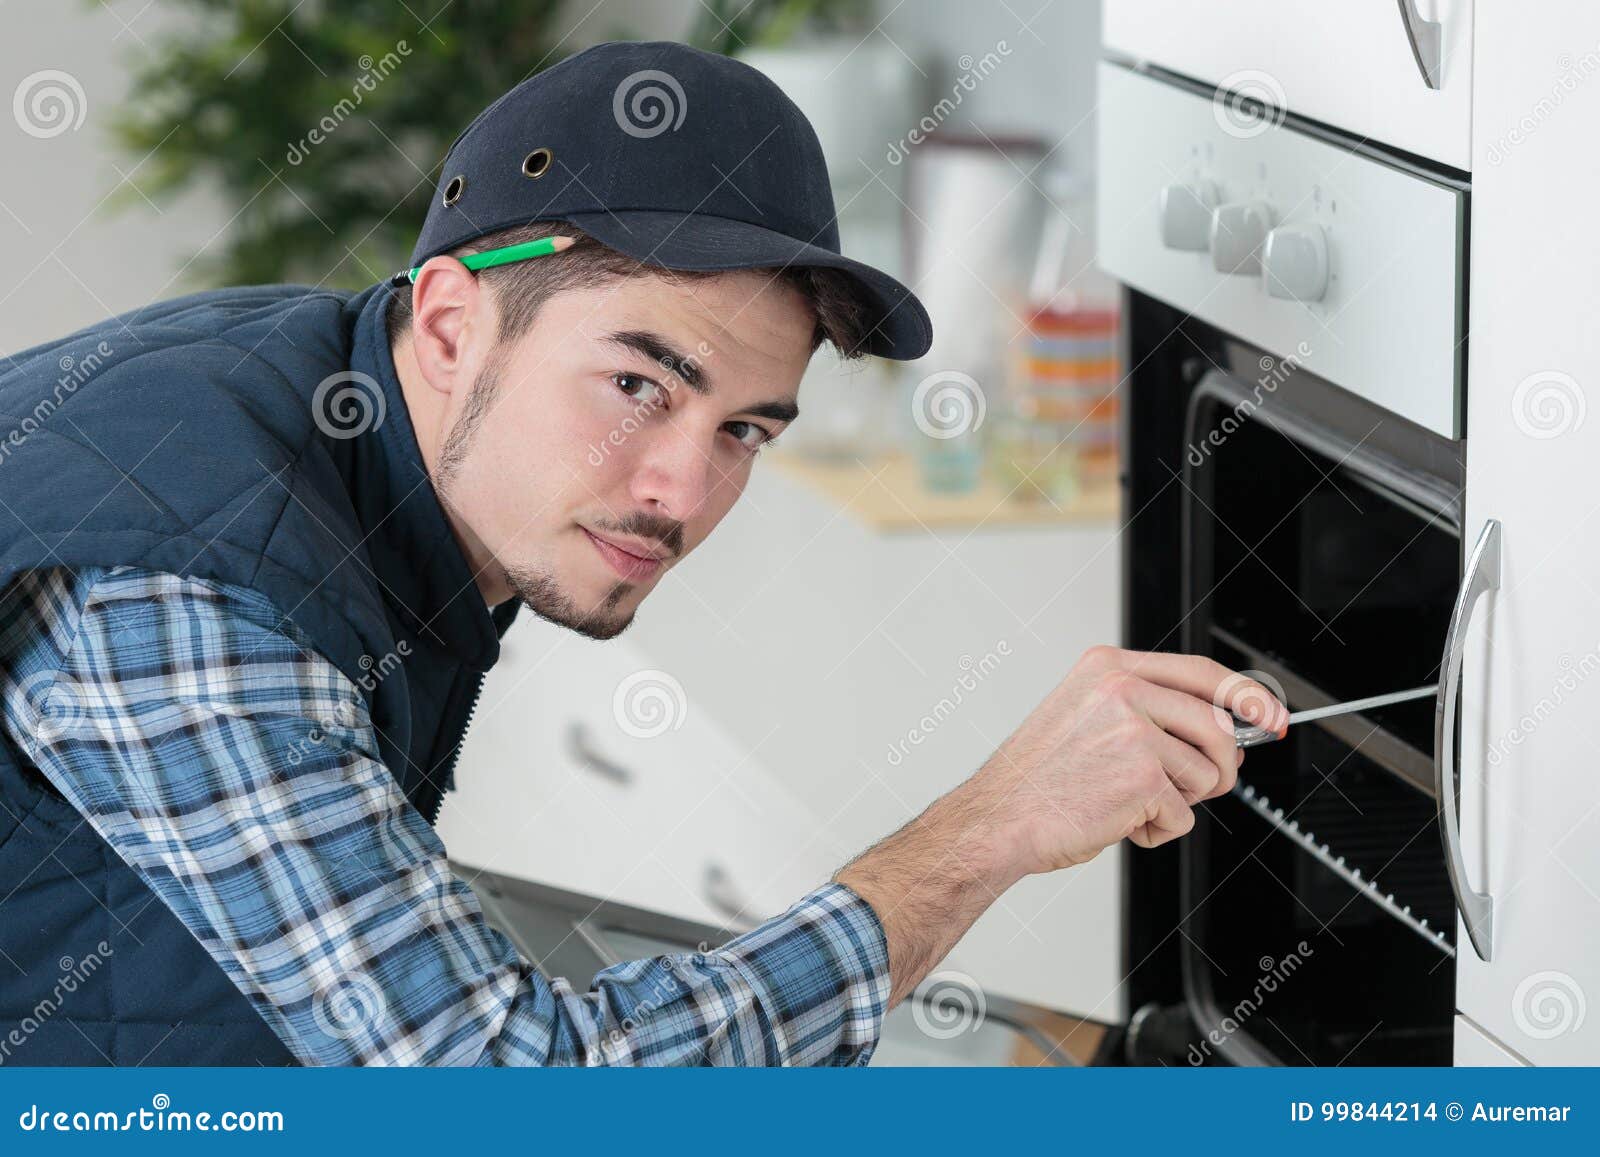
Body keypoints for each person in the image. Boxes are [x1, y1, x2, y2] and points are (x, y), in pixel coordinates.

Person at [0, 40, 1286, 1066]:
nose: (681, 492)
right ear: (452, 323)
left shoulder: (323, 379)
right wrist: (987, 830)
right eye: (636, 383)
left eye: (744, 430)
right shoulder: (187, 592)